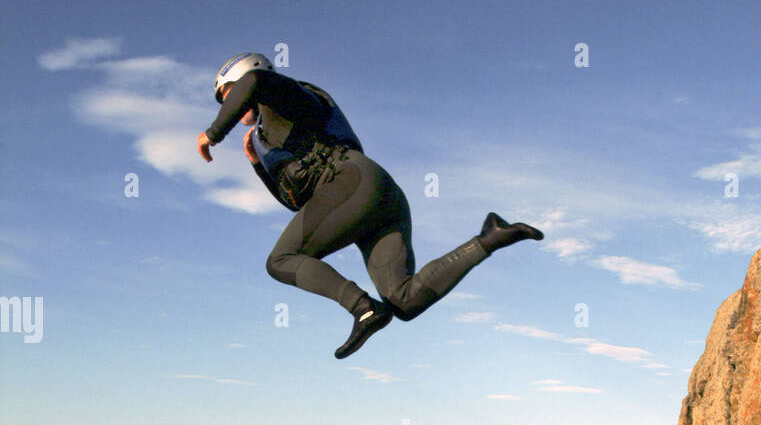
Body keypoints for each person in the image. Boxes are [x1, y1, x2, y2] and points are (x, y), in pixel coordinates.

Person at [197, 53, 544, 359]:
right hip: (376, 196)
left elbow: (255, 83)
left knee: (279, 261)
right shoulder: (267, 135)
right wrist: (258, 164)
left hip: (351, 181)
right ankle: (490, 238)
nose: (225, 103)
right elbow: (297, 207)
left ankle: (363, 309)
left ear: (240, 78)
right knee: (404, 300)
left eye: (225, 94)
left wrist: (213, 134)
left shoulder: (284, 98)